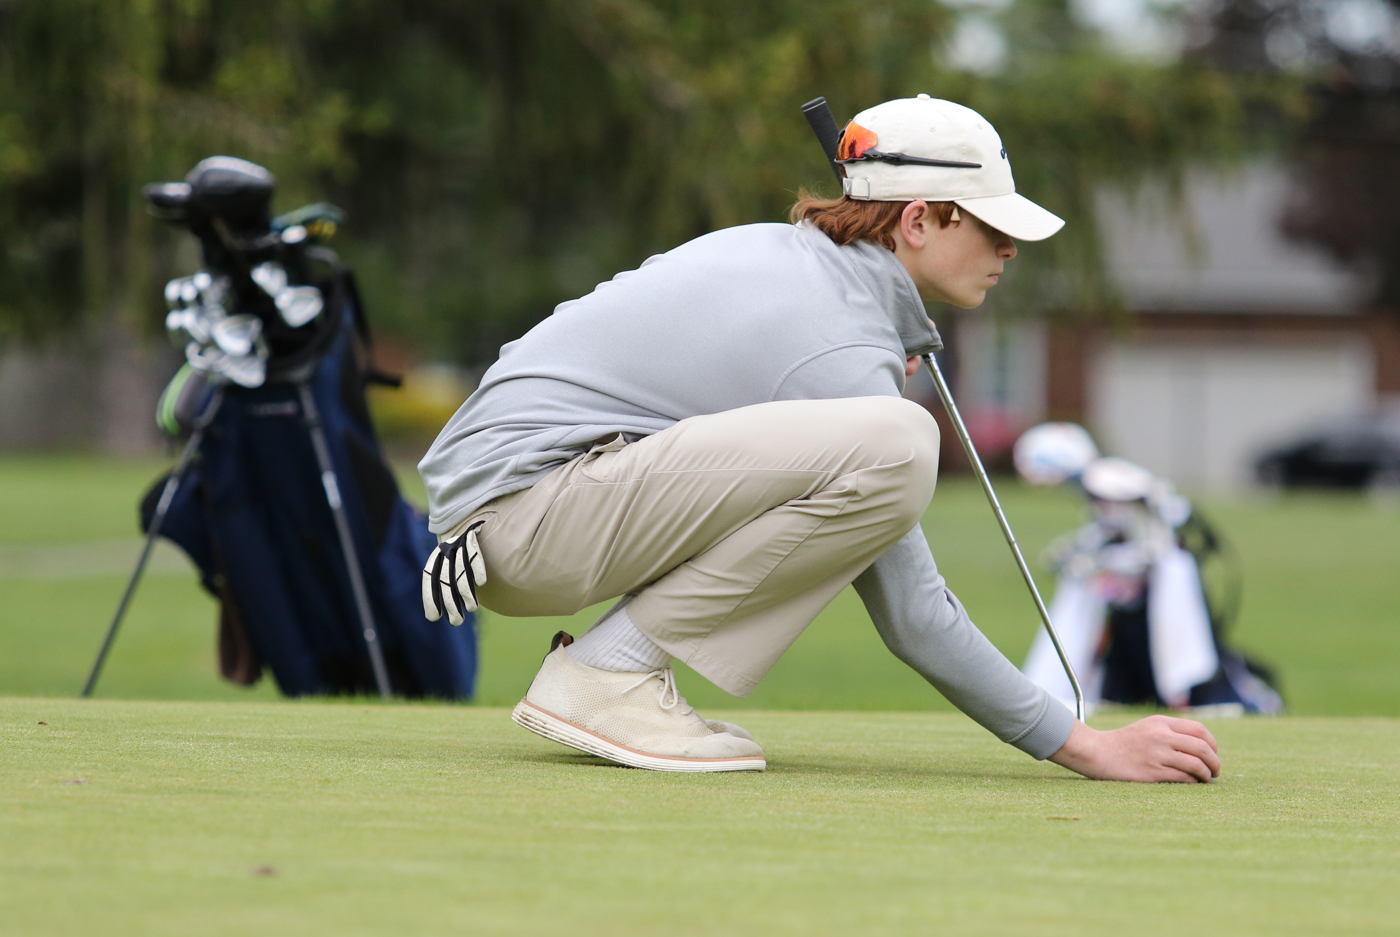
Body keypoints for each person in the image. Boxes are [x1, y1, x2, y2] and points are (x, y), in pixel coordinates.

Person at [419, 95, 1221, 782]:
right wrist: (1083, 745)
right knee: (900, 442)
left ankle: (615, 670)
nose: (1009, 248)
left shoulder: (804, 271)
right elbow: (913, 611)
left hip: (527, 517)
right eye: (985, 225)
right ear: (916, 220)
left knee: (886, 436)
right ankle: (609, 673)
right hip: (529, 522)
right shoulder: (830, 334)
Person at [1013, 427, 1284, 715]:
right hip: (1136, 593)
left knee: (1179, 658)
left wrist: (1102, 562)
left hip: (1164, 584)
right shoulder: (1096, 484)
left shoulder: (1106, 479)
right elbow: (1109, 533)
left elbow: (1152, 537)